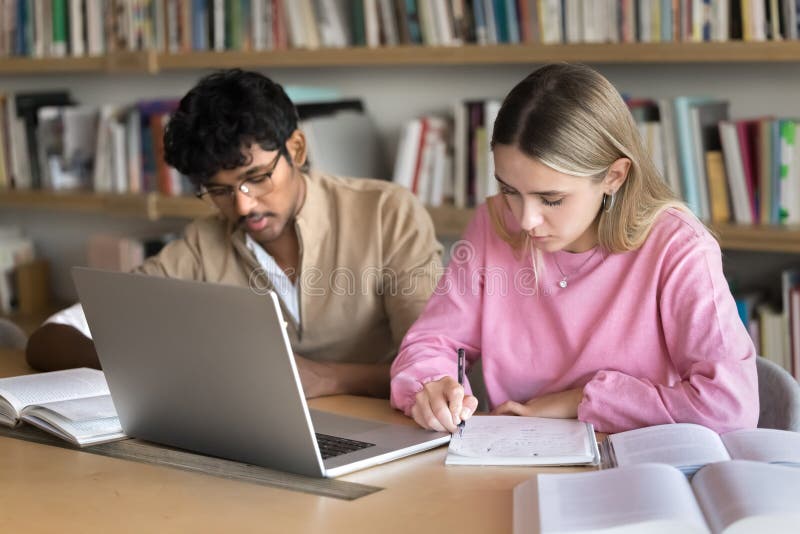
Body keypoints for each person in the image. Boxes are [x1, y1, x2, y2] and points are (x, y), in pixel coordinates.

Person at [26, 69, 442, 399]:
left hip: (383, 428)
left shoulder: (386, 212)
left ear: (295, 149)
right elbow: (49, 339)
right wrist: (141, 361)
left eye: (257, 178)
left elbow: (438, 366)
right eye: (219, 190)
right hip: (255, 438)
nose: (242, 206)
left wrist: (331, 379)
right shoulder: (202, 244)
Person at [389, 63, 758, 435]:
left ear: (613, 177)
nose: (527, 219)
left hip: (637, 465)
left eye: (551, 199)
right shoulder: (493, 223)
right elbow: (433, 343)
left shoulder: (678, 248)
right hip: (516, 460)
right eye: (510, 190)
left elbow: (730, 406)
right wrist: (432, 385)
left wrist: (581, 401)